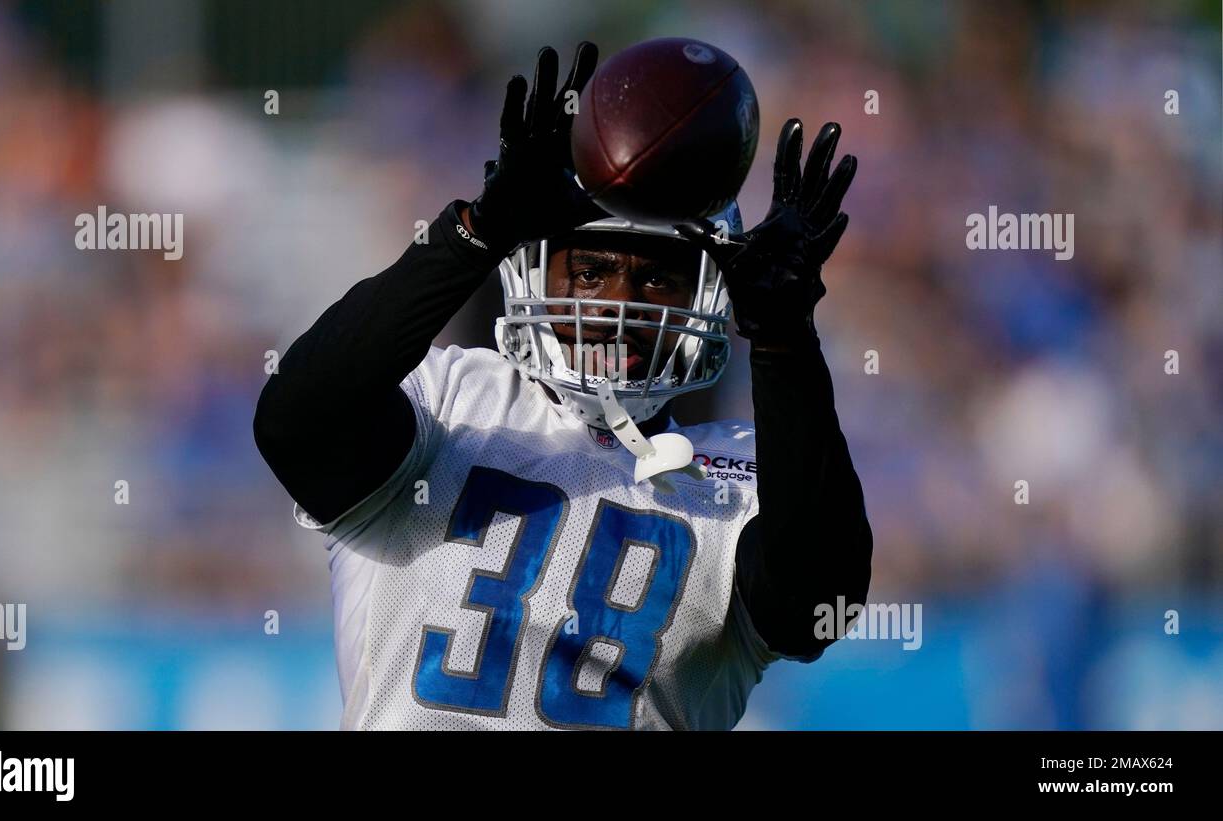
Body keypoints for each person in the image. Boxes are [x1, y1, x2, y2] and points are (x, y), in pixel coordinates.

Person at [254, 42, 872, 730]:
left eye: (657, 279)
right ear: (530, 272)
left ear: (711, 295)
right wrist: (475, 230)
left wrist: (787, 342)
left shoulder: (743, 475)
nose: (616, 305)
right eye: (589, 272)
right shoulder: (449, 401)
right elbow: (296, 421)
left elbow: (817, 610)